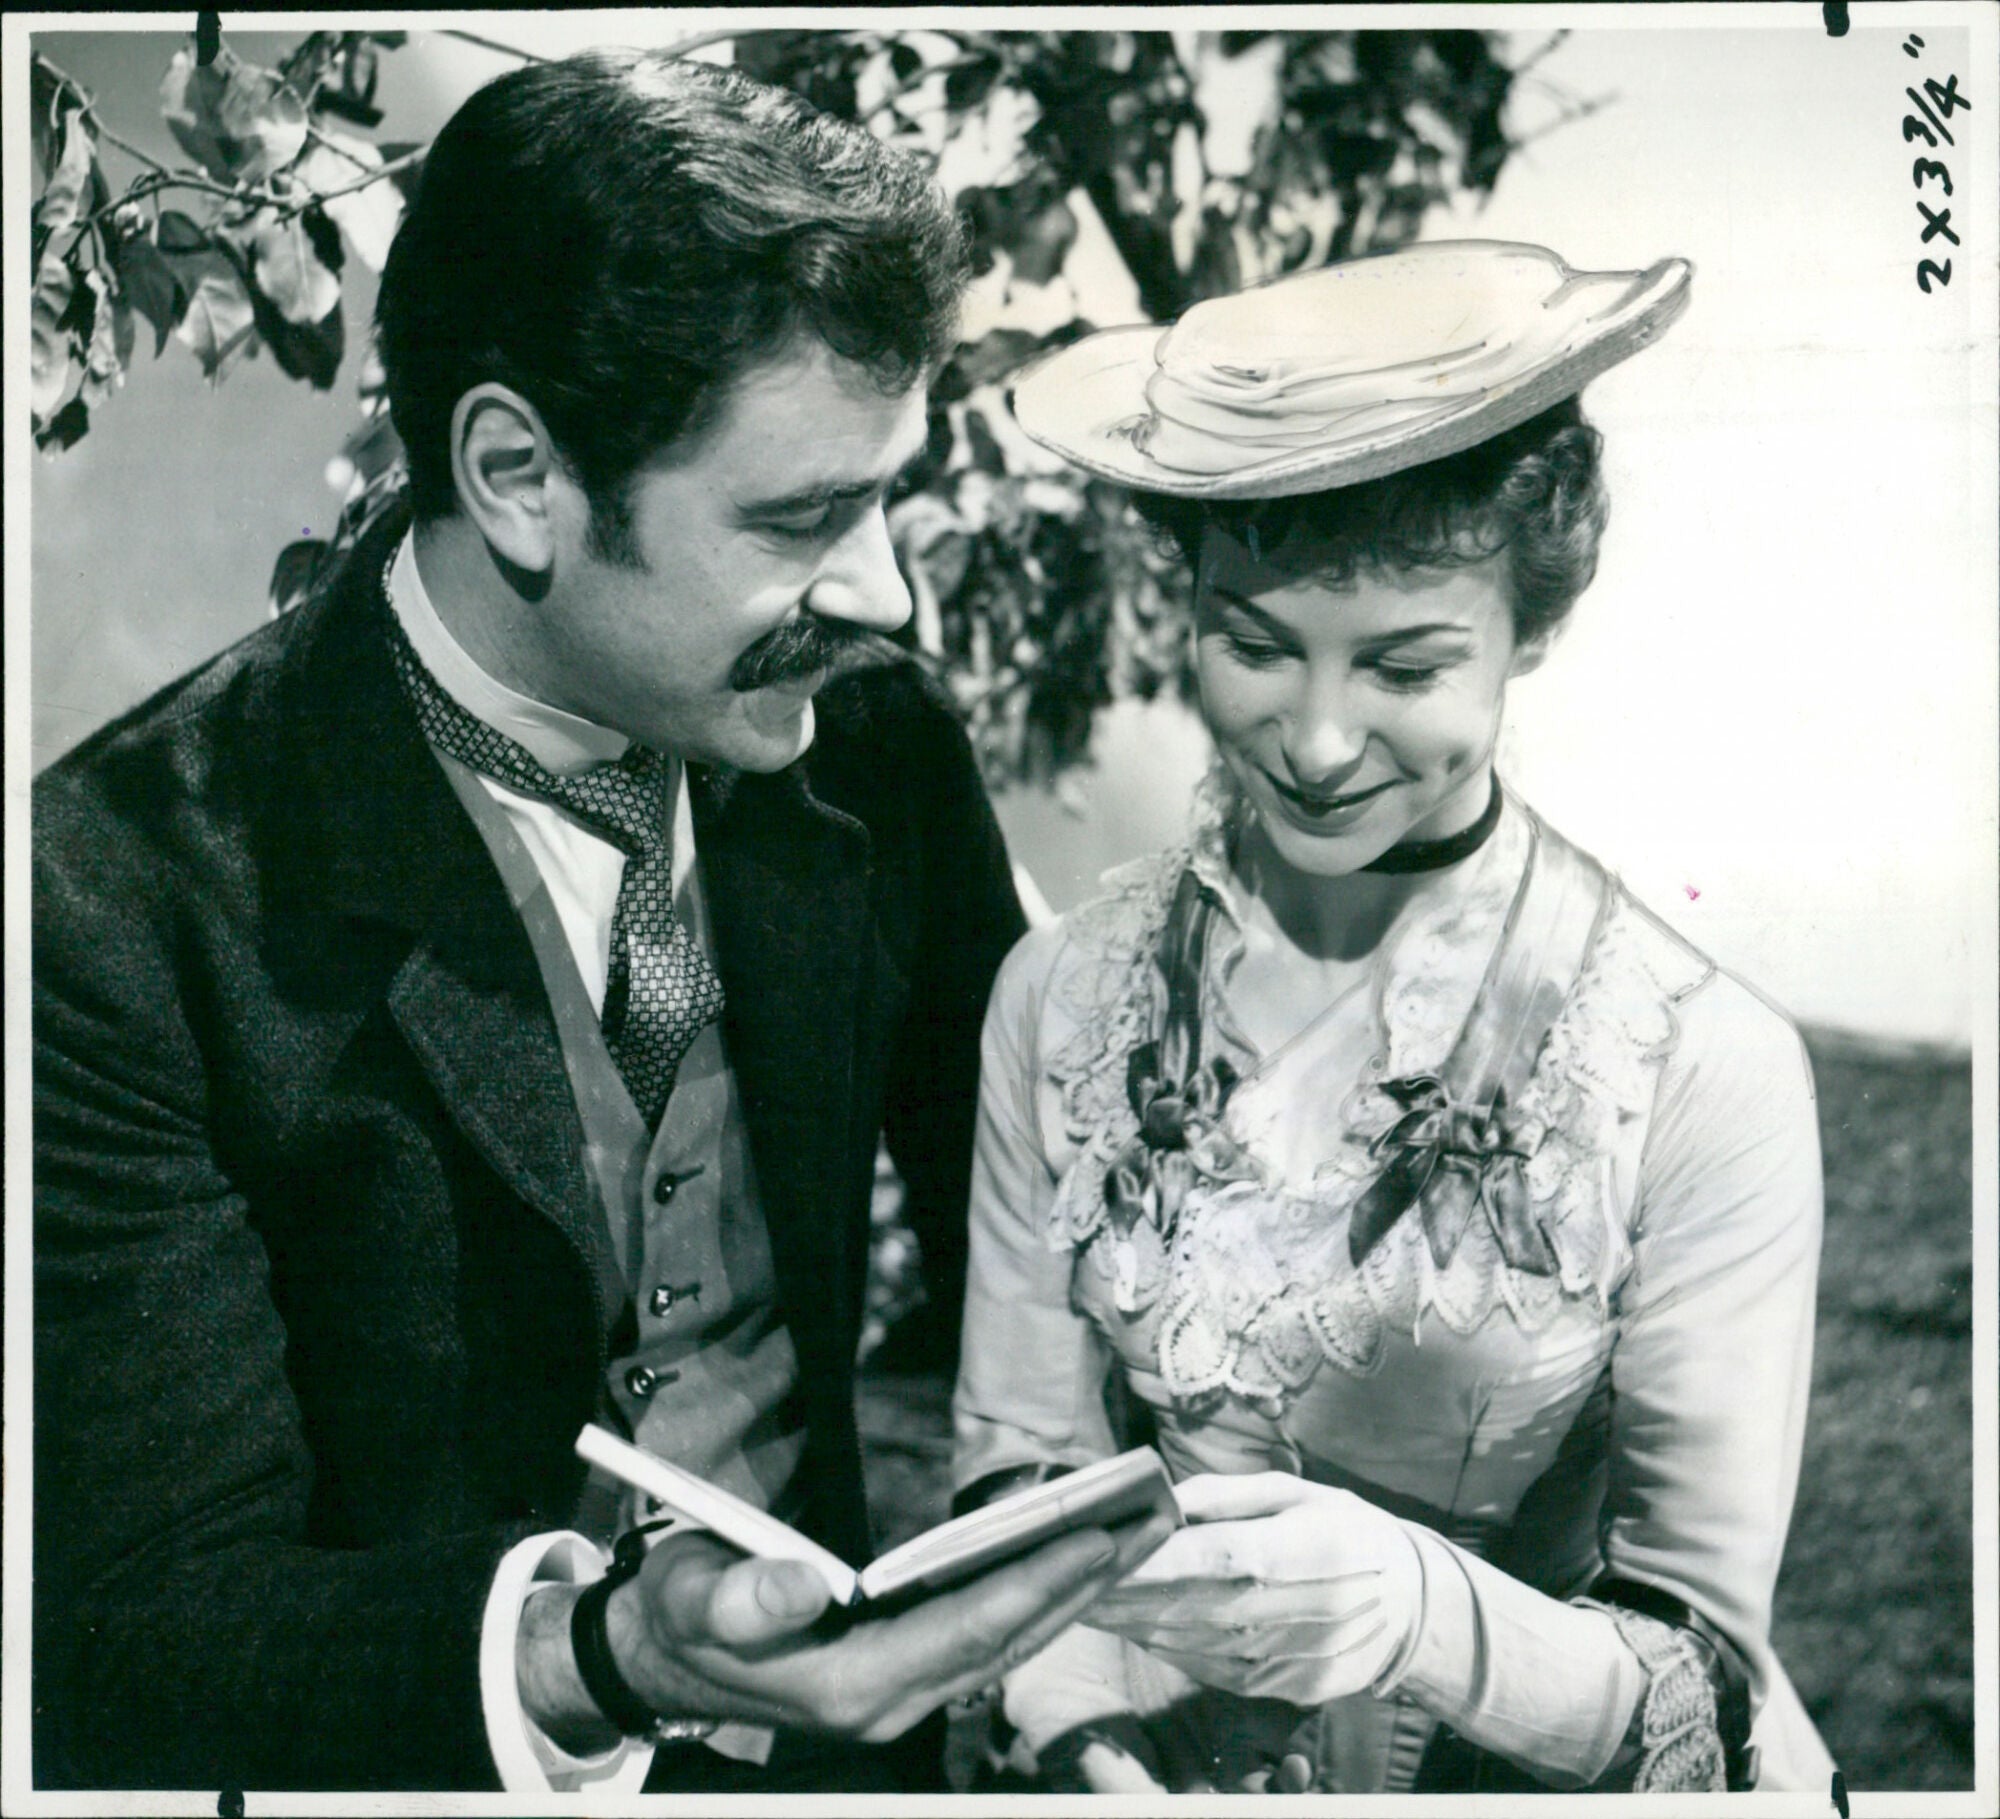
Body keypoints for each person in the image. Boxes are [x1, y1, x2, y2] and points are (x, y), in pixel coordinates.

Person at [31, 51, 1169, 1796]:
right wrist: (606, 1654)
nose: (887, 591)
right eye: (804, 520)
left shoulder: (877, 743)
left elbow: (1040, 1274)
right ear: (515, 475)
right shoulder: (103, 901)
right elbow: (137, 1634)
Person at [951, 241, 1837, 1793]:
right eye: (1255, 643)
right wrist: (1080, 1721)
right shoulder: (1062, 995)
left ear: (1530, 633)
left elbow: (1699, 1668)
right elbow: (1017, 1466)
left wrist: (1427, 1613)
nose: (1313, 740)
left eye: (1407, 665)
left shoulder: (1698, 1065)